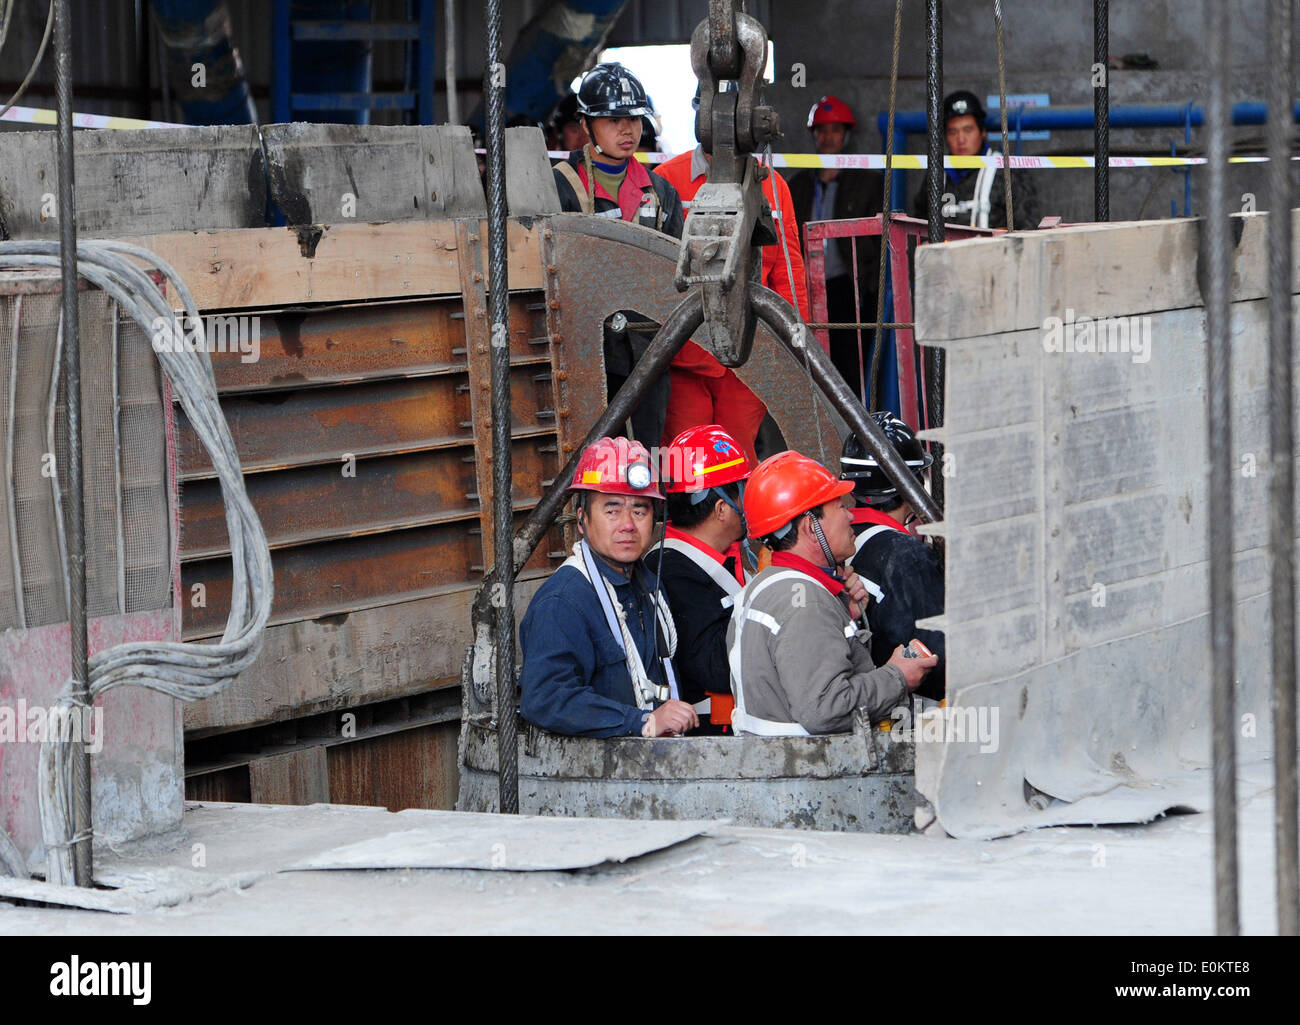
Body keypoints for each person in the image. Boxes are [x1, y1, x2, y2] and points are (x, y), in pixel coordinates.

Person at [726, 450, 936, 735]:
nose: (850, 515)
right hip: (809, 773)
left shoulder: (765, 586)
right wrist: (897, 676)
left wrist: (843, 615)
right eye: (839, 506)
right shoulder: (804, 601)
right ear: (812, 527)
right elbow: (826, 709)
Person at [654, 95, 811, 467]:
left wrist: (798, 344)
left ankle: (739, 524)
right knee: (685, 460)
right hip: (685, 358)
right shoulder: (666, 182)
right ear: (699, 113)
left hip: (749, 358)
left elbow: (789, 276)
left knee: (736, 459)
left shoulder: (774, 188)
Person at [519, 436, 699, 738]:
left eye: (640, 510)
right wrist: (643, 722)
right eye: (612, 510)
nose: (628, 524)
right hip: (598, 780)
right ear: (582, 520)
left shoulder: (649, 587)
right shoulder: (564, 601)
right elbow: (545, 699)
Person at [552, 62, 685, 450]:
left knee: (645, 454)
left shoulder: (661, 193)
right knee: (592, 458)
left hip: (647, 352)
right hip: (584, 352)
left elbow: (676, 274)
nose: (627, 130)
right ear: (586, 125)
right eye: (612, 120)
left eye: (633, 119)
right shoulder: (561, 185)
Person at [643, 424, 754, 734]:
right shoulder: (671, 571)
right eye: (742, 490)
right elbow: (717, 670)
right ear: (722, 508)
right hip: (714, 743)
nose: (750, 501)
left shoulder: (722, 556)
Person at [785, 95, 885, 402]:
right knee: (808, 360)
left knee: (851, 363)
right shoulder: (798, 183)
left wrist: (869, 284)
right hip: (806, 287)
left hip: (850, 289)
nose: (828, 137)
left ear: (847, 135)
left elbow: (880, 239)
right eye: (822, 130)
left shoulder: (867, 181)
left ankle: (854, 430)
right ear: (814, 135)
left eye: (835, 130)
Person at [841, 415, 946, 699]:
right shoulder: (907, 556)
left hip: (864, 701)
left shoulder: (838, 541)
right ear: (909, 482)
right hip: (911, 714)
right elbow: (939, 654)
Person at [911, 90, 1039, 231]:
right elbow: (918, 227)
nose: (961, 139)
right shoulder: (936, 175)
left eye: (968, 130)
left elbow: (1028, 230)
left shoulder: (1007, 172)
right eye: (953, 132)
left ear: (982, 131)